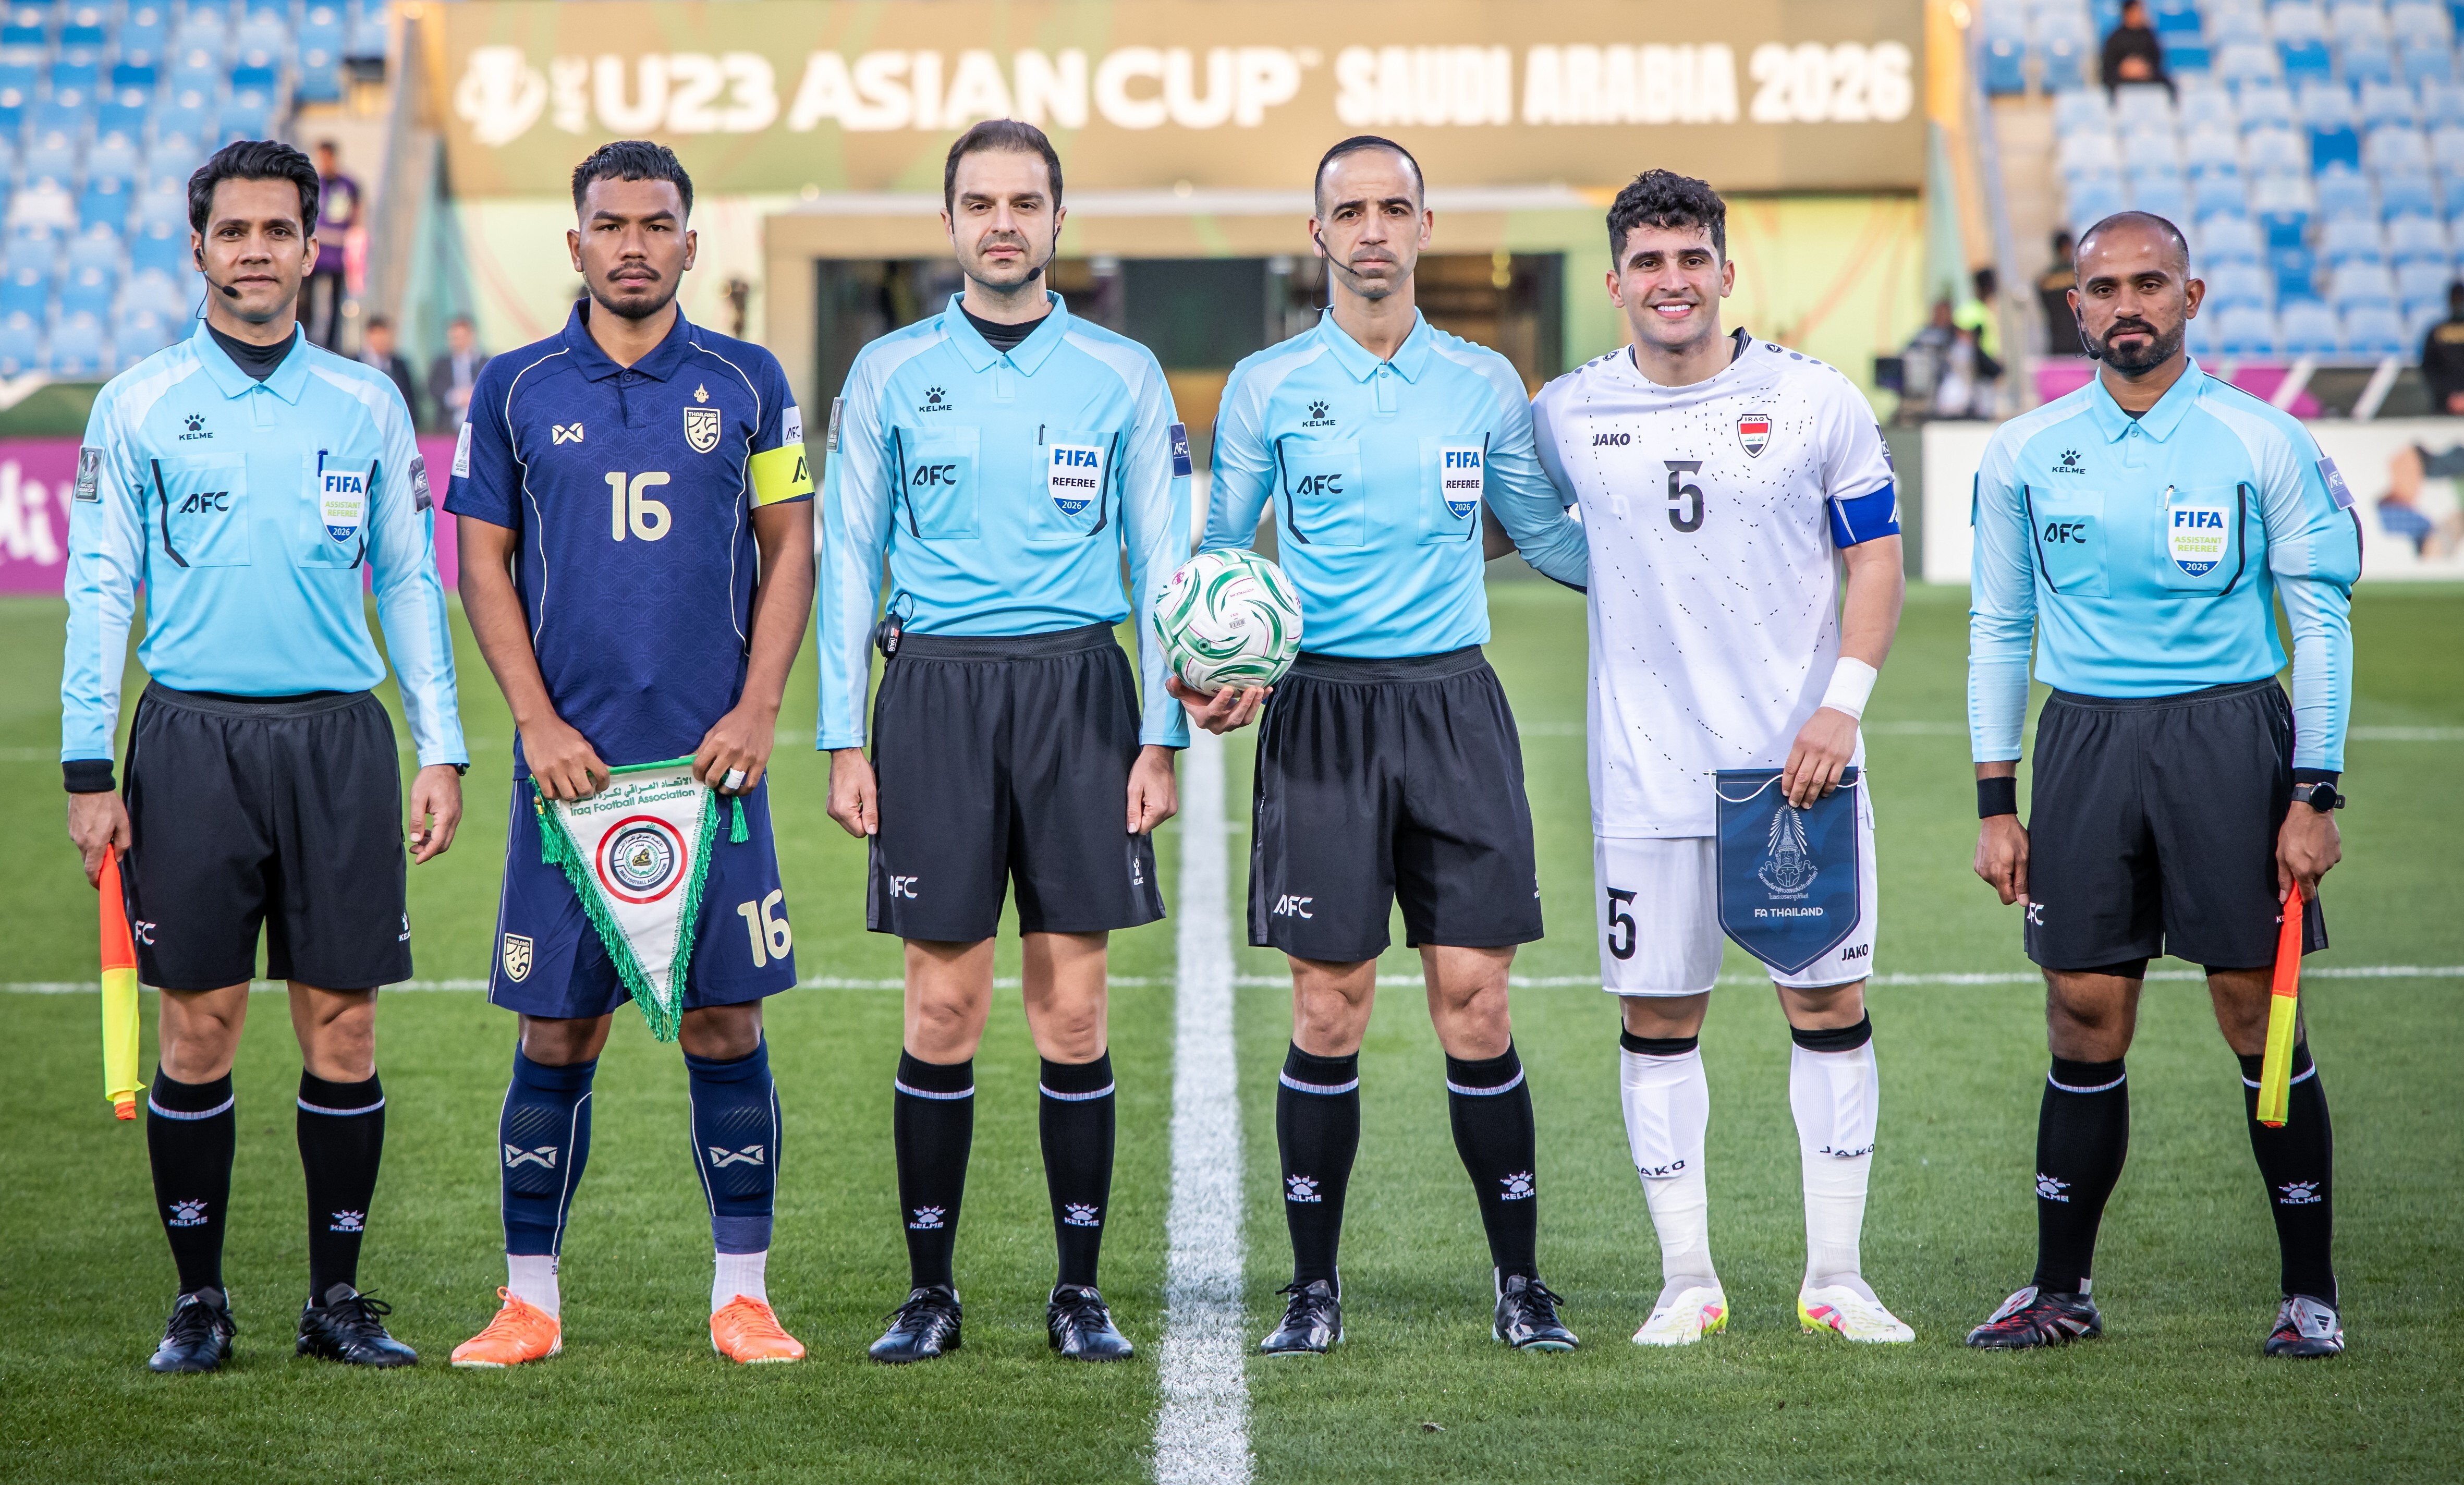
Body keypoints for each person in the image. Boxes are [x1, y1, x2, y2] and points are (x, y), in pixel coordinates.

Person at [60, 139, 467, 1373]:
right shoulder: (136, 403)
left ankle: (336, 1297)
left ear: (308, 248)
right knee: (200, 1028)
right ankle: (200, 1298)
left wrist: (438, 744)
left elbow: (408, 580)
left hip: (340, 741)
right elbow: (99, 583)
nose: (253, 250)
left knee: (343, 1028)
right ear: (198, 248)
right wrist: (90, 767)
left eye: (276, 231)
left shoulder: (369, 401)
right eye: (231, 230)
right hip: (188, 741)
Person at [1180, 135, 1590, 1357]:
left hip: (1455, 710)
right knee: (1329, 1009)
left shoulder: (1484, 382)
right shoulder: (1264, 383)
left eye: (1392, 207)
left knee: (1475, 1003)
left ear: (1425, 225)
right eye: (1347, 210)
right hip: (1320, 714)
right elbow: (1217, 544)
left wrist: (1674, 573)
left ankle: (1522, 1283)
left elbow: (1542, 534)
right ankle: (1313, 1287)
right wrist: (1205, 655)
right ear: (1317, 234)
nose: (1370, 228)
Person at [819, 119, 1188, 1366]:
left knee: (1073, 1007)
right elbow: (846, 563)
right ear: (948, 223)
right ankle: (931, 1288)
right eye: (980, 202)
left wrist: (1162, 730)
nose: (1003, 223)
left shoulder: (1122, 371)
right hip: (930, 696)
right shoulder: (884, 373)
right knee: (942, 1001)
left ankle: (1078, 1288)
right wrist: (840, 733)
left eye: (1026, 202)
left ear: (1058, 220)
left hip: (1080, 693)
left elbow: (1163, 564)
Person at [444, 141, 816, 1369]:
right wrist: (538, 723)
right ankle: (528, 1299)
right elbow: (480, 560)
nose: (635, 245)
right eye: (612, 225)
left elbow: (790, 546)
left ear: (691, 245)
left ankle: (745, 1293)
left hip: (715, 769)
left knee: (725, 1022)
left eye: (659, 225)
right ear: (576, 243)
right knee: (555, 1032)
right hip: (568, 775)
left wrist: (759, 710)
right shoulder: (509, 387)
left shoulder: (752, 380)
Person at [1529, 169, 1916, 1348]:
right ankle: (1685, 1277)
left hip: (1792, 770)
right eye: (1648, 262)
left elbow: (1879, 561)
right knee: (1659, 1013)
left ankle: (1837, 1275)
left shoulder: (1813, 400)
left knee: (1827, 999)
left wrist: (1840, 708)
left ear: (1726, 271)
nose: (1672, 281)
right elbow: (1506, 520)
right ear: (1613, 283)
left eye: (1691, 258)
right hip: (1644, 773)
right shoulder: (1566, 412)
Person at [1967, 211, 2361, 1358]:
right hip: (2083, 742)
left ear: (2192, 297)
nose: (2125, 303)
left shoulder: (2262, 440)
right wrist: (1996, 801)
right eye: (2102, 287)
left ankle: (2308, 1293)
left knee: (2255, 1009)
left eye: (2149, 283)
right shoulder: (2023, 451)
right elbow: (1999, 625)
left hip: (2229, 741)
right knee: (2083, 1012)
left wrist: (2312, 790)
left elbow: (2320, 624)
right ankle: (2059, 1288)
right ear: (2073, 305)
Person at [307, 140, 358, 347]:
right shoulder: (313, 184)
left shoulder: (348, 186)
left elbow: (357, 214)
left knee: (336, 303)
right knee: (309, 301)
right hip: (316, 254)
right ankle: (308, 339)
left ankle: (332, 345)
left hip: (338, 255)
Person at [358, 314, 421, 430]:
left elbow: (410, 398)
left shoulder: (400, 365)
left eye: (384, 335)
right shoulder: (356, 363)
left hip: (395, 425)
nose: (382, 340)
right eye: (377, 335)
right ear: (369, 336)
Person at [426, 314, 489, 430]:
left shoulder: (486, 363)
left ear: (471, 336)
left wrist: (473, 396)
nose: (459, 342)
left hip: (480, 424)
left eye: (462, 337)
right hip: (448, 426)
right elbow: (432, 388)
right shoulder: (441, 363)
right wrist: (454, 397)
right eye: (455, 338)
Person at [2101, 1, 2172, 96]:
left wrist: (2144, 68)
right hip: (2120, 78)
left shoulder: (2149, 35)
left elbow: (2157, 59)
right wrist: (2125, 70)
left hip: (2147, 76)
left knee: (2169, 85)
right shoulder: (2114, 37)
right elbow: (2108, 64)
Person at [2417, 281, 2464, 415]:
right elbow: (2429, 368)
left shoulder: (2436, 331)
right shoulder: (2436, 332)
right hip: (2444, 406)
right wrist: (2449, 397)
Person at [2039, 231, 2083, 356]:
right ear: (2067, 247)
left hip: (2057, 343)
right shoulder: (2079, 275)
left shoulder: (2043, 280)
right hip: (2081, 341)